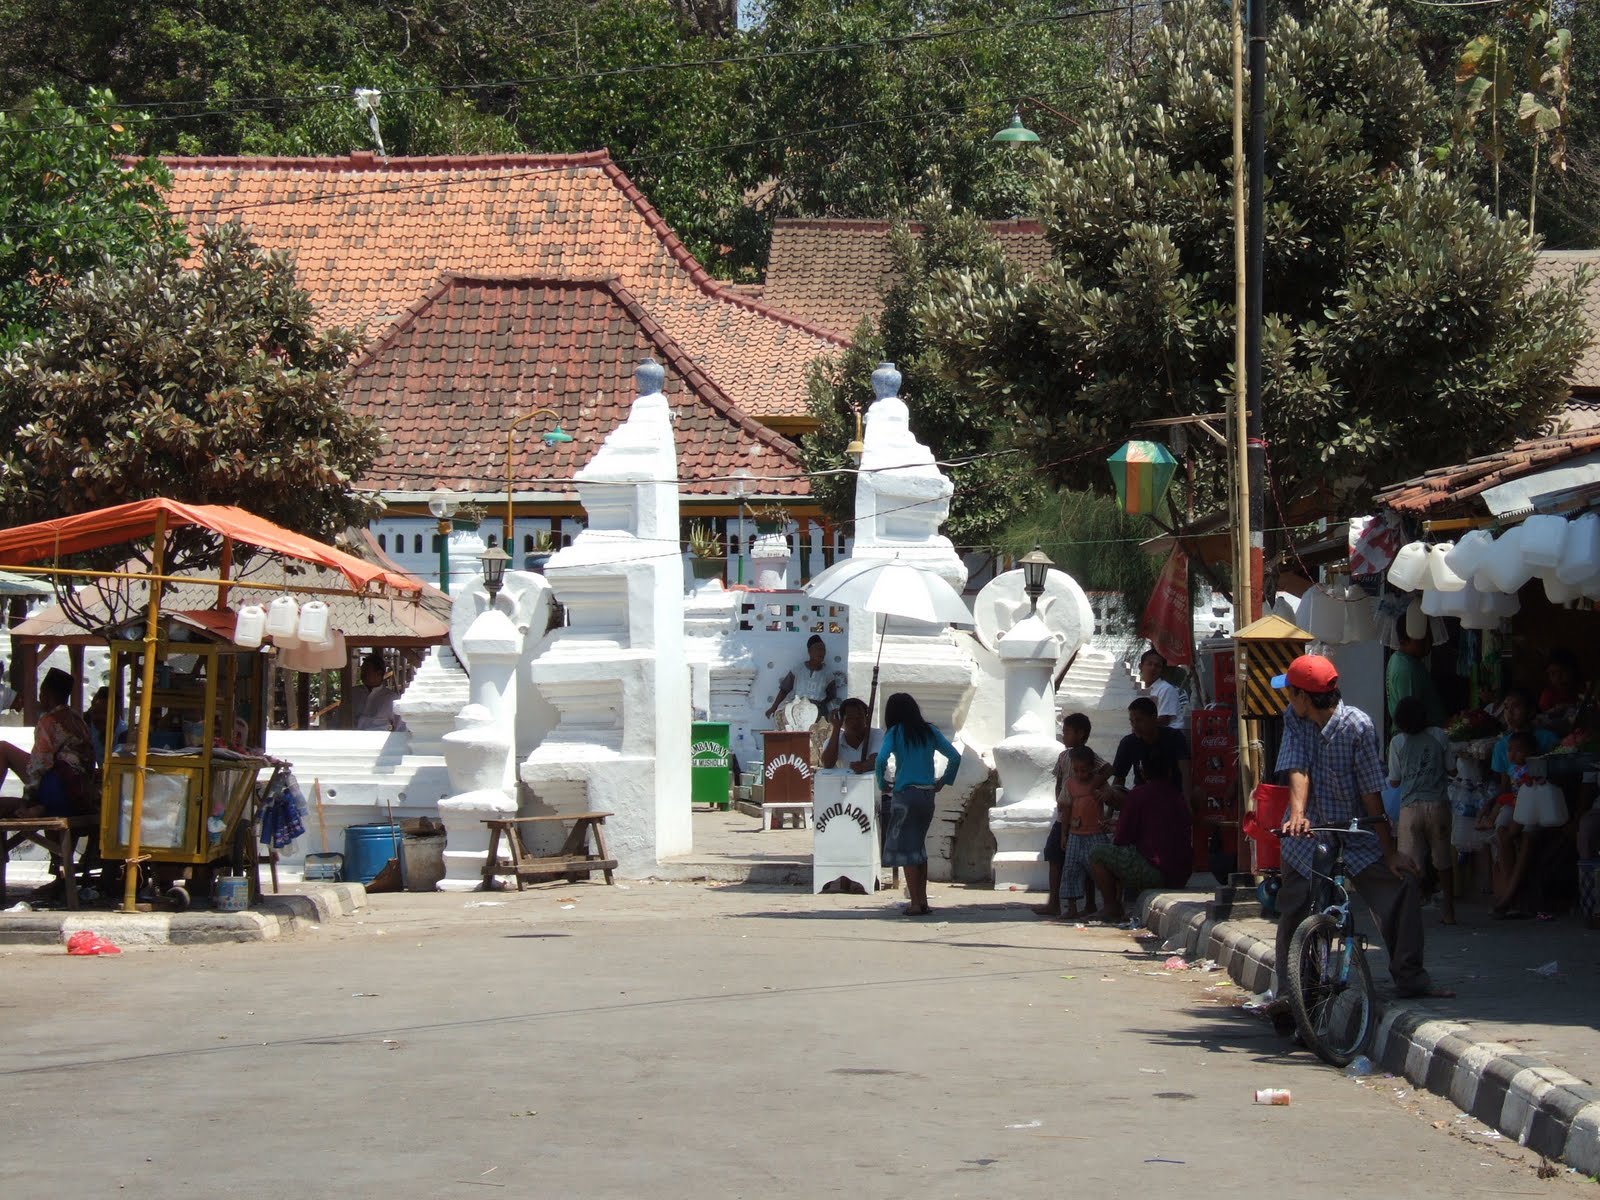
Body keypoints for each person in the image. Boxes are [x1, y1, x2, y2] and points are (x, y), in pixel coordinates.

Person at [1269, 654, 1449, 1021]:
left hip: (1356, 829)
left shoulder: (1358, 726)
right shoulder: (1295, 719)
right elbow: (1298, 768)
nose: (1288, 700)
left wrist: (1391, 850)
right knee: (1296, 907)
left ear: (1305, 696)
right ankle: (1292, 995)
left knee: (1402, 887)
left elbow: (1371, 791)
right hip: (1309, 833)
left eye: (1290, 693)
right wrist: (1299, 815)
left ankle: (1410, 977)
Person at [875, 692, 961, 917]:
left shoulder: (895, 732)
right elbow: (955, 756)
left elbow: (881, 759)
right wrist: (944, 781)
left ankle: (914, 903)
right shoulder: (929, 731)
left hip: (905, 795)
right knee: (919, 849)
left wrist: (882, 782)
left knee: (907, 850)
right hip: (927, 796)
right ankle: (922, 901)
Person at [1086, 748, 1193, 923]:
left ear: (1143, 771)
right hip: (1181, 872)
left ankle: (1111, 908)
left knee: (1098, 853)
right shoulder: (1177, 795)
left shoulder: (1138, 794)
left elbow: (1122, 838)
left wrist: (1117, 828)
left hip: (1157, 871)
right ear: (1170, 771)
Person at [1033, 712, 1109, 918]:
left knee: (1085, 861)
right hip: (1066, 813)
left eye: (1067, 731)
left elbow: (1107, 769)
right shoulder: (1063, 757)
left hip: (1085, 818)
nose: (1064, 735)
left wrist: (1092, 787)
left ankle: (1087, 903)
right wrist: (1060, 798)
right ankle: (1055, 902)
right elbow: (1058, 780)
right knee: (1056, 856)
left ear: (1080, 733)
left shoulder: (1089, 756)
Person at [1388, 695, 1455, 925]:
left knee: (1409, 864)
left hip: (1410, 808)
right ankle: (1449, 911)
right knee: (1443, 860)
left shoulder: (1397, 742)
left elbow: (1394, 781)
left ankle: (1410, 914)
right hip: (1438, 804)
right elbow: (1452, 768)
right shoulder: (1440, 736)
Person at [0, 668, 98, 819]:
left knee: (3, 748)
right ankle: (38, 807)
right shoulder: (78, 721)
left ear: (47, 694)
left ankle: (37, 807)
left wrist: (27, 801)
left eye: (41, 692)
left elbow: (39, 765)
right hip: (81, 792)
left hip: (58, 790)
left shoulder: (50, 721)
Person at [1058, 746, 1111, 920]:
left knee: (1100, 871)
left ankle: (1107, 904)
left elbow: (1110, 798)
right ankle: (1071, 907)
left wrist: (1107, 818)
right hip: (1075, 834)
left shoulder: (1099, 783)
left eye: (1084, 770)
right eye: (1076, 770)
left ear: (1092, 768)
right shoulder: (1070, 784)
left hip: (1096, 833)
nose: (1080, 774)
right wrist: (1064, 834)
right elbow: (1066, 809)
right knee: (1071, 869)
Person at [1109, 697, 1192, 799]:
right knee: (1111, 793)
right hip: (1142, 794)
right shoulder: (1128, 742)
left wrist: (1187, 804)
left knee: (1198, 793)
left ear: (1154, 717)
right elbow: (1119, 778)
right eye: (1132, 721)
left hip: (1172, 793)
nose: (1135, 726)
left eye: (1139, 720)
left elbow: (1185, 772)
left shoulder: (1174, 737)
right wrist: (1111, 805)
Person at [765, 634, 843, 727]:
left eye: (823, 649)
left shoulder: (828, 674)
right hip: (797, 710)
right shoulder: (798, 670)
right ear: (809, 652)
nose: (821, 652)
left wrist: (819, 704)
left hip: (819, 712)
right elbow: (784, 689)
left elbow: (832, 695)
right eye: (818, 649)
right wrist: (774, 707)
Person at [1490, 689, 1557, 791]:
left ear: (1530, 711)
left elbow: (1558, 778)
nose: (1509, 713)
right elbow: (1505, 786)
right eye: (1506, 707)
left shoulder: (1549, 739)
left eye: (1516, 707)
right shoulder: (1501, 746)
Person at [1386, 632, 1446, 728]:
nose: (1428, 641)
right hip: (1420, 739)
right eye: (1421, 637)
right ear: (1404, 641)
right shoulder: (1408, 668)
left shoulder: (1396, 658)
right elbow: (1411, 719)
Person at [821, 697, 881, 773]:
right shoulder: (833, 741)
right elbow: (827, 764)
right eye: (850, 718)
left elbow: (876, 761)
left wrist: (863, 766)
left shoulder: (877, 734)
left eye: (859, 717)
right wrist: (836, 727)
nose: (855, 722)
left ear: (866, 719)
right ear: (842, 720)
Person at [352, 654, 407, 732]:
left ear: (379, 673)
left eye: (366, 672)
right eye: (362, 671)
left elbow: (401, 727)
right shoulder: (353, 694)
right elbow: (337, 720)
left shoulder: (392, 699)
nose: (362, 675)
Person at [1137, 649, 1188, 729]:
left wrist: (1138, 725)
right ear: (1141, 666)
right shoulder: (1141, 690)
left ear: (1161, 670)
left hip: (1169, 735)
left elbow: (1164, 720)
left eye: (1157, 666)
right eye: (1149, 664)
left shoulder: (1166, 689)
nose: (1153, 668)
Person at [85, 685, 126, 768]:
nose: (99, 717)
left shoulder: (124, 735)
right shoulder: (88, 726)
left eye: (105, 713)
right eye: (95, 712)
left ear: (117, 714)